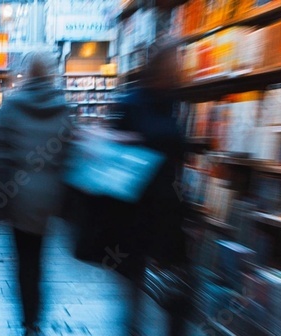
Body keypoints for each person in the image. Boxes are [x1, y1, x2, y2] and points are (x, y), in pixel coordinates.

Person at [72, 39, 189, 336]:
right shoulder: (132, 102)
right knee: (133, 286)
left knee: (179, 287)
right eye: (177, 62)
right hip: (133, 211)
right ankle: (133, 328)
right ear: (162, 67)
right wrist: (126, 140)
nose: (181, 68)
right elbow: (109, 145)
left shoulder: (174, 102)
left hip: (166, 209)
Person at [0, 52, 73, 336]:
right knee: (41, 258)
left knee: (24, 260)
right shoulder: (63, 108)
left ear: (27, 74)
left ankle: (28, 320)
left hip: (18, 195)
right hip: (49, 198)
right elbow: (70, 153)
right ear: (52, 73)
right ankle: (37, 317)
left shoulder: (12, 106)